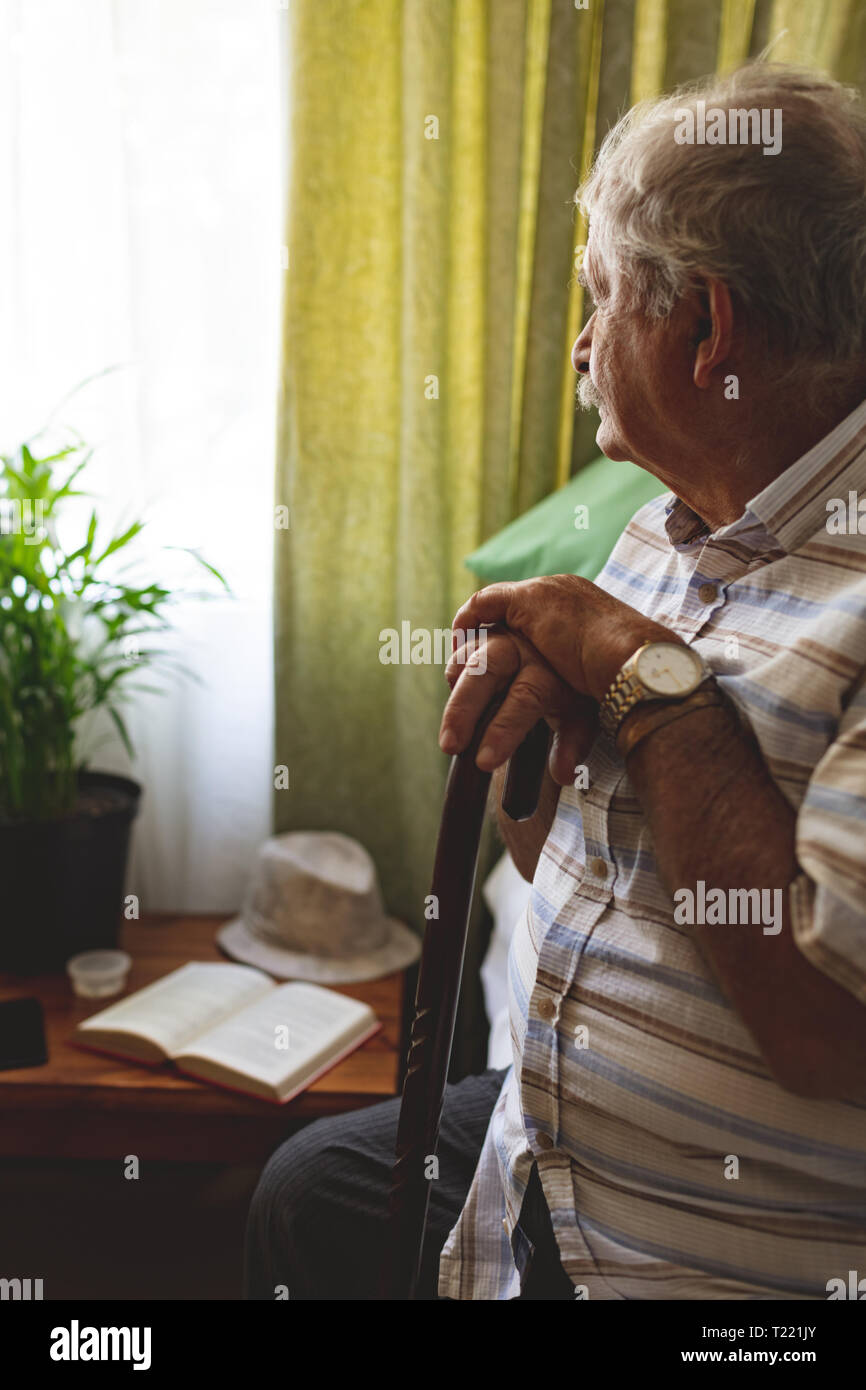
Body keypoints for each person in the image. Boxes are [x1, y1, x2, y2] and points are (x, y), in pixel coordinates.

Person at [245, 61, 866, 1300]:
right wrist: (539, 726)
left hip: (717, 1270)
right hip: (545, 1170)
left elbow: (822, 1016)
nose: (579, 346)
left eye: (599, 296)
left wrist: (640, 671)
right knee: (311, 1189)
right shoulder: (661, 526)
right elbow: (568, 869)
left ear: (707, 329)